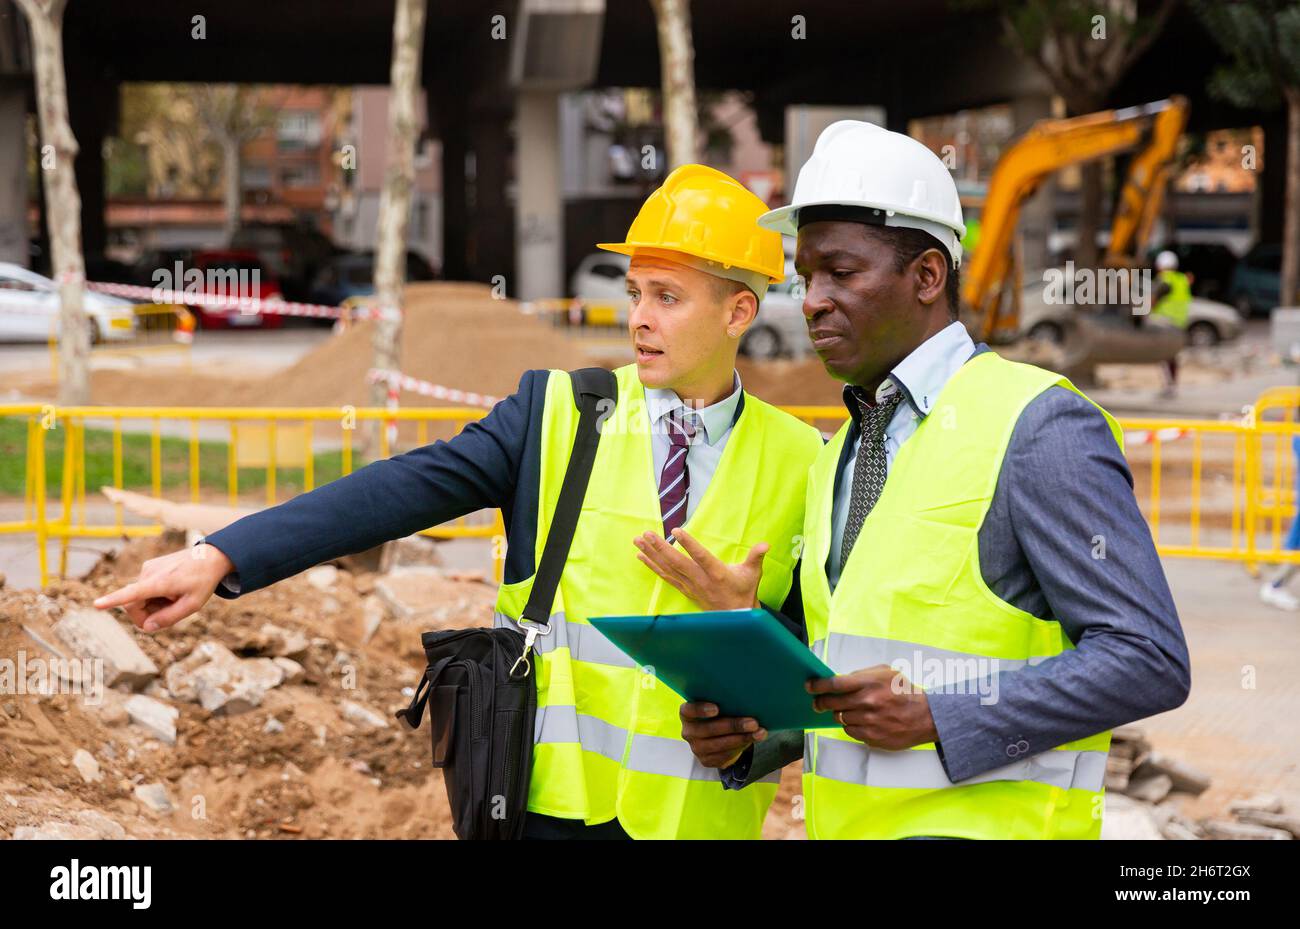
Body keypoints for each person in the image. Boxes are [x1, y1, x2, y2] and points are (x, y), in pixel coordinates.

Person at [92, 164, 824, 840]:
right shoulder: (561, 412)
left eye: (667, 297)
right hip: (545, 808)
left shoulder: (805, 461)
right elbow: (399, 490)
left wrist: (750, 633)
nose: (638, 317)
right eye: (635, 292)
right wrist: (223, 552)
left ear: (739, 313)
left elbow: (820, 674)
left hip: (699, 821)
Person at [640, 121, 1191, 839]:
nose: (811, 300)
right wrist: (755, 728)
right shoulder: (840, 454)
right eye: (807, 277)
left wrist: (941, 713)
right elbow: (852, 670)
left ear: (928, 276)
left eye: (841, 273)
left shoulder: (1038, 425)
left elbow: (1147, 657)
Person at [1150, 249, 1192, 397]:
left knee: (1165, 357)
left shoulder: (1164, 279)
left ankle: (1169, 387)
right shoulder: (1181, 279)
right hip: (1180, 322)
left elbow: (1153, 300)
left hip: (1164, 322)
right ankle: (1172, 385)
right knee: (1172, 356)